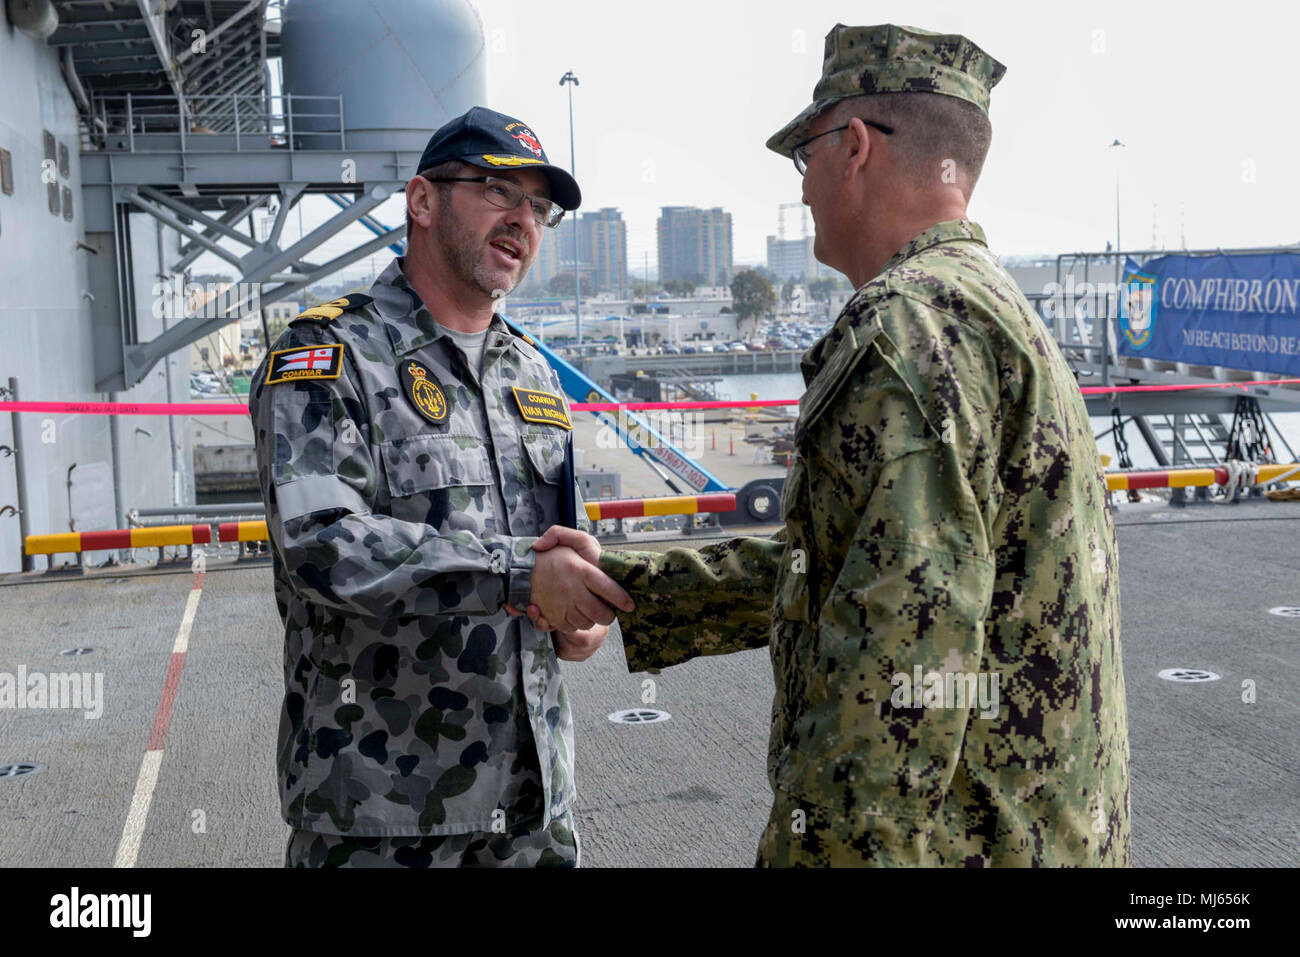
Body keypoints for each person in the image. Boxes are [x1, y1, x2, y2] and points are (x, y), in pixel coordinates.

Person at [532, 24, 1130, 866]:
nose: (804, 188)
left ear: (853, 147)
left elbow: (896, 666)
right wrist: (630, 586)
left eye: (804, 155)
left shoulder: (902, 330)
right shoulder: (992, 309)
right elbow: (846, 563)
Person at [250, 106, 632, 868]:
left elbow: (560, 542)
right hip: (386, 821)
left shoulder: (530, 372)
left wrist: (580, 614)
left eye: (540, 207)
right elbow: (323, 546)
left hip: (534, 815)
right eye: (498, 190)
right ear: (423, 201)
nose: (524, 219)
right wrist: (521, 577)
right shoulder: (329, 353)